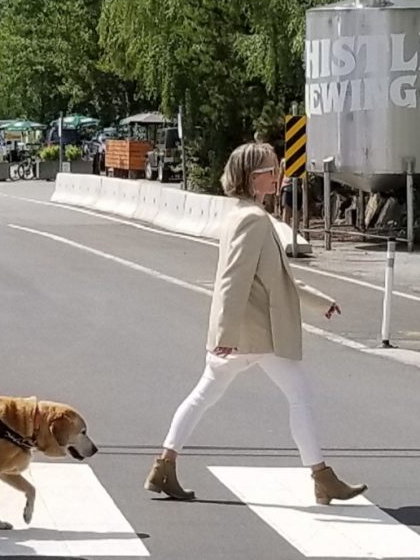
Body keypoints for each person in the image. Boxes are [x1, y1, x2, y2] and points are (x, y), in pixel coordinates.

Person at [145, 142, 367, 505]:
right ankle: (322, 477)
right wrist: (226, 334)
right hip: (256, 333)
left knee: (204, 396)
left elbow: (275, 276)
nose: (277, 177)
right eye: (269, 171)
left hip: (243, 334)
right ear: (251, 179)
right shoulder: (252, 219)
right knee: (300, 397)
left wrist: (317, 301)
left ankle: (164, 466)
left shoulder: (242, 215)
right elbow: (234, 278)